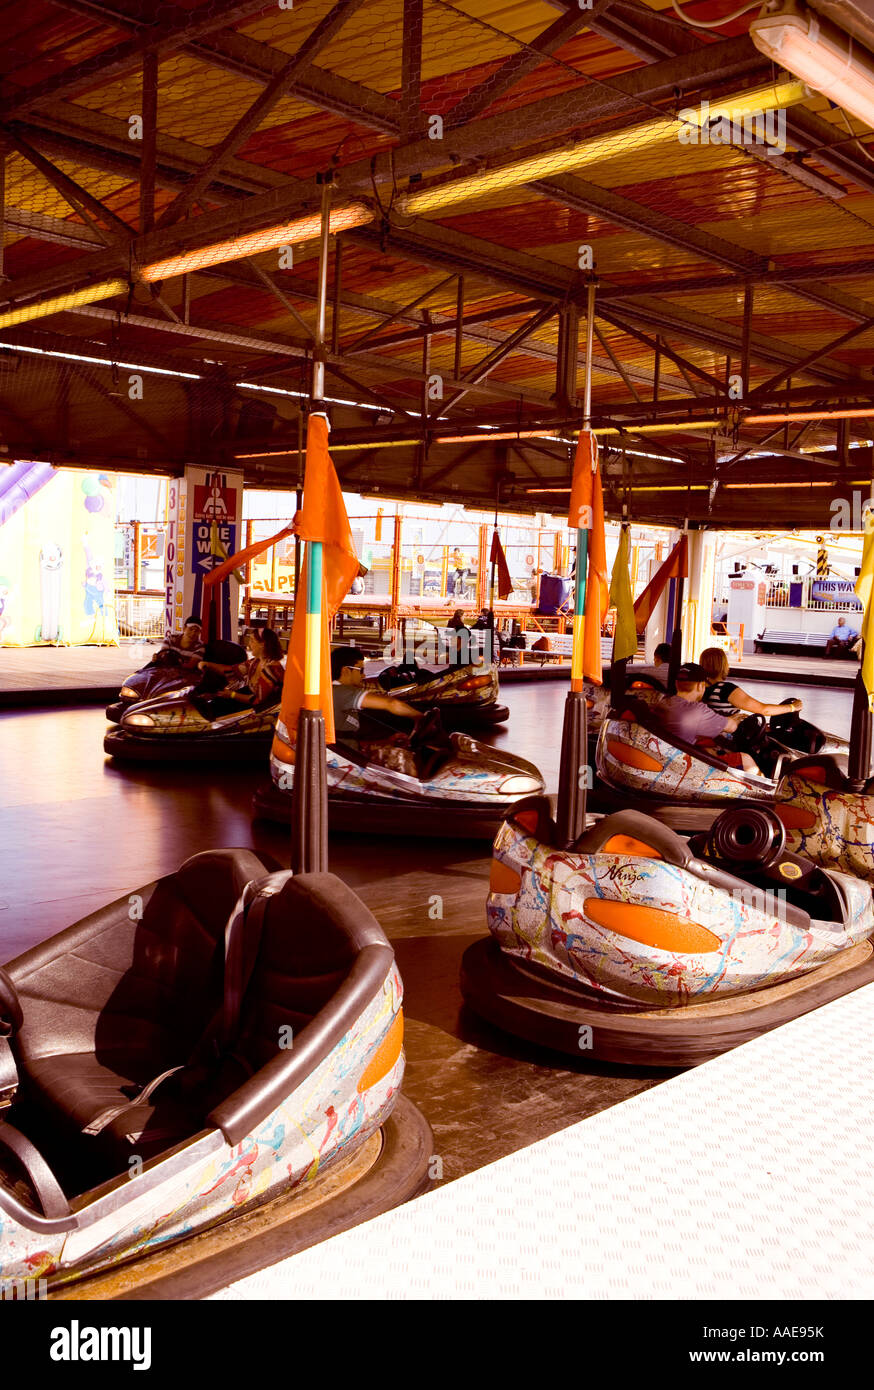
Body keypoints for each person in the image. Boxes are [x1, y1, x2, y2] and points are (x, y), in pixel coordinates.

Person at [655, 662, 760, 773]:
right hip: (681, 766)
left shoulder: (664, 702)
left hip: (667, 757)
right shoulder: (697, 710)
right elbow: (732, 727)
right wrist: (736, 718)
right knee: (745, 759)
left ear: (677, 683)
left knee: (709, 748)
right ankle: (765, 790)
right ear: (701, 685)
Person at [331, 646, 421, 736]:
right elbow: (391, 703)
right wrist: (420, 717)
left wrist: (385, 742)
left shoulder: (339, 691)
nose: (364, 675)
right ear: (346, 671)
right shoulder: (341, 692)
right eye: (361, 670)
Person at [699, 647, 802, 720]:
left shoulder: (700, 688)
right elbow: (764, 710)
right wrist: (792, 707)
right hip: (728, 740)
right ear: (723, 665)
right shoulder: (725, 689)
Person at [202, 626, 285, 708]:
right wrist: (208, 665)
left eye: (252, 640)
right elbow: (231, 671)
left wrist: (232, 694)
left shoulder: (271, 668)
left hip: (260, 708)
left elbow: (257, 701)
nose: (249, 643)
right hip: (249, 697)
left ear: (262, 644)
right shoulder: (255, 662)